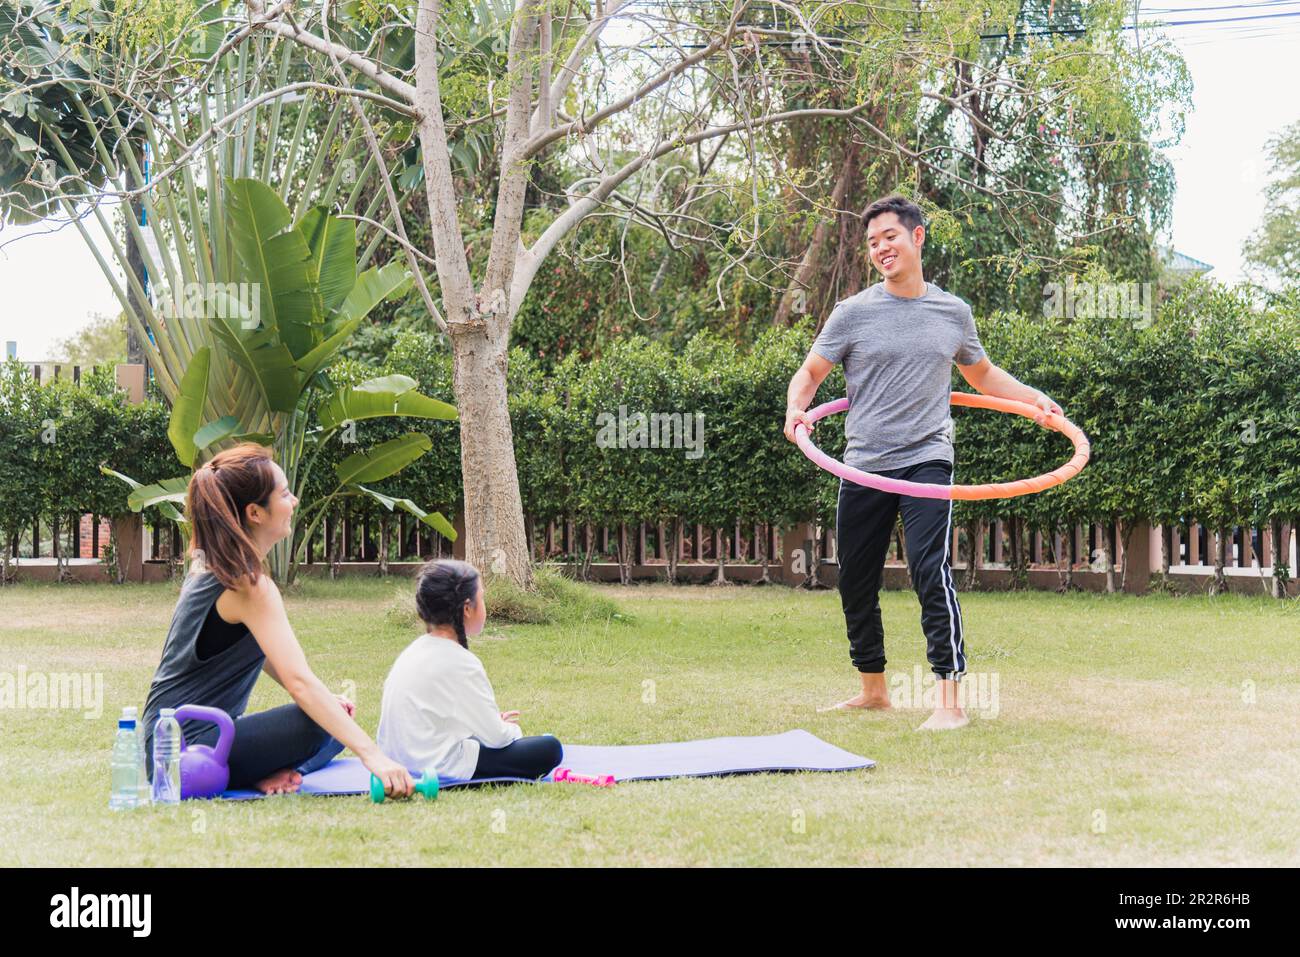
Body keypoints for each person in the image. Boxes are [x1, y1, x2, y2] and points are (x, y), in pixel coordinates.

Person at [783, 194, 1062, 730]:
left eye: (889, 236)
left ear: (917, 237)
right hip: (864, 460)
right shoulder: (853, 313)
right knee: (855, 577)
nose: (880, 248)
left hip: (926, 460)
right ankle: (872, 691)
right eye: (871, 243)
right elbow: (811, 374)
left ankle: (949, 704)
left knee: (928, 570)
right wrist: (797, 408)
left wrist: (1034, 399)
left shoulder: (952, 312)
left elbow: (983, 377)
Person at [141, 443, 415, 798]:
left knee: (333, 718)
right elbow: (299, 681)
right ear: (255, 512)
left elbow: (256, 652)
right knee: (317, 724)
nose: (295, 501)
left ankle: (270, 773)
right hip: (183, 752)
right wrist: (375, 757)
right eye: (284, 493)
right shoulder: (247, 585)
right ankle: (272, 769)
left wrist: (325, 703)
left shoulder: (211, 566)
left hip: (165, 742)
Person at [376, 560, 562, 781]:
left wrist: (486, 722)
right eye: (481, 598)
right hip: (437, 766)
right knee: (549, 748)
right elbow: (498, 738)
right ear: (467, 609)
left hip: (398, 760)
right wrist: (507, 728)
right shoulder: (461, 662)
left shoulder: (413, 651)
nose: (484, 605)